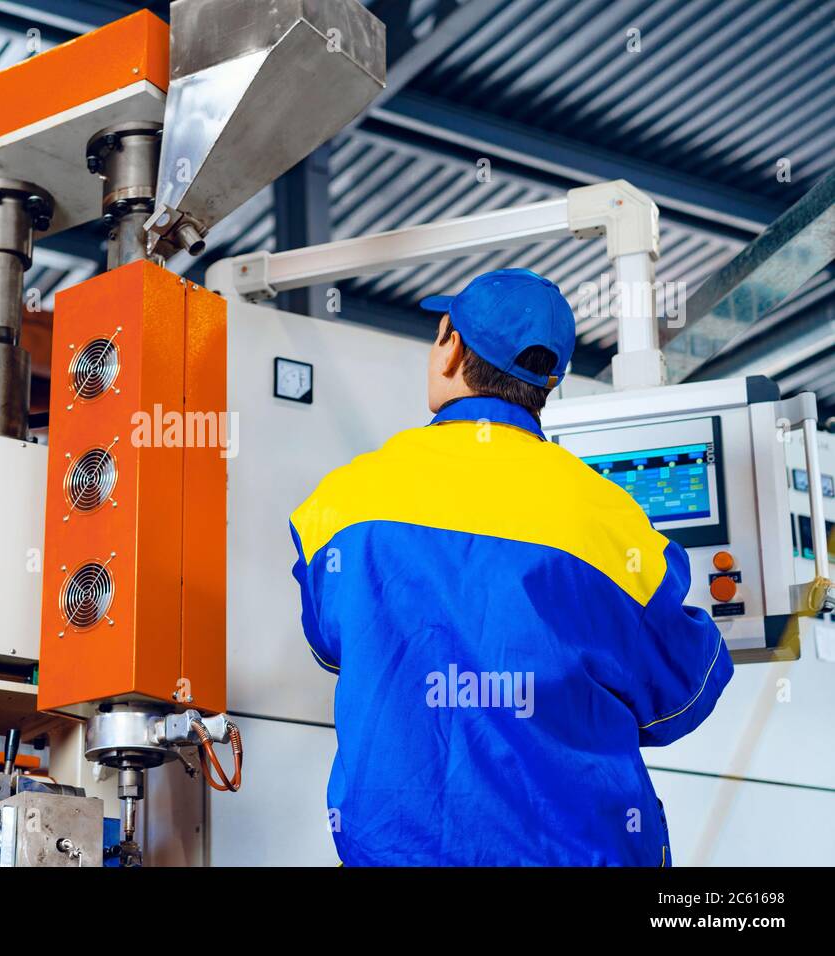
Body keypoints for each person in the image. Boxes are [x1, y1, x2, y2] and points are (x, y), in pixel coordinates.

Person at [289, 268, 731, 866]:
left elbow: (333, 647)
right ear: (549, 382)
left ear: (450, 349)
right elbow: (683, 694)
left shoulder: (341, 504)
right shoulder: (606, 518)